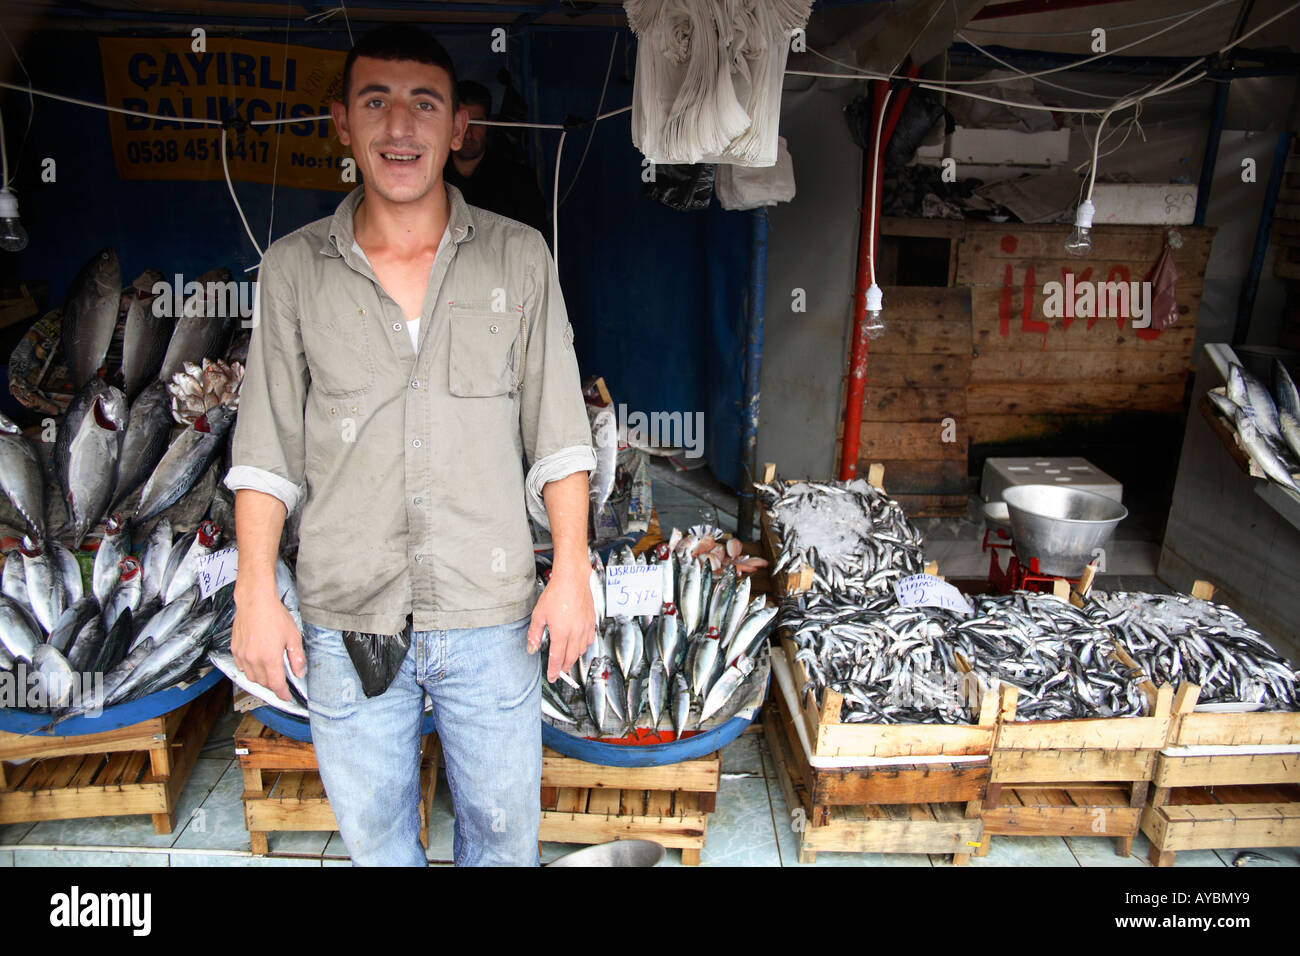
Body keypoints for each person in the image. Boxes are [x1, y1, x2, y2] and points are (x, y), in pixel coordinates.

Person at [225, 24, 597, 867]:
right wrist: (255, 590)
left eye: (424, 104)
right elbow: (267, 449)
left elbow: (558, 435)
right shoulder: (293, 270)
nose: (401, 126)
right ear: (342, 125)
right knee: (377, 840)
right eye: (376, 102)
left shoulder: (519, 256)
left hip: (492, 615)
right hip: (344, 613)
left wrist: (572, 568)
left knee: (503, 841)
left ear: (458, 127)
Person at [443, 80, 550, 236]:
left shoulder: (518, 180)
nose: (468, 133)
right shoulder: (432, 179)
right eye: (462, 123)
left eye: (476, 123)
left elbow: (536, 243)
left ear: (489, 124)